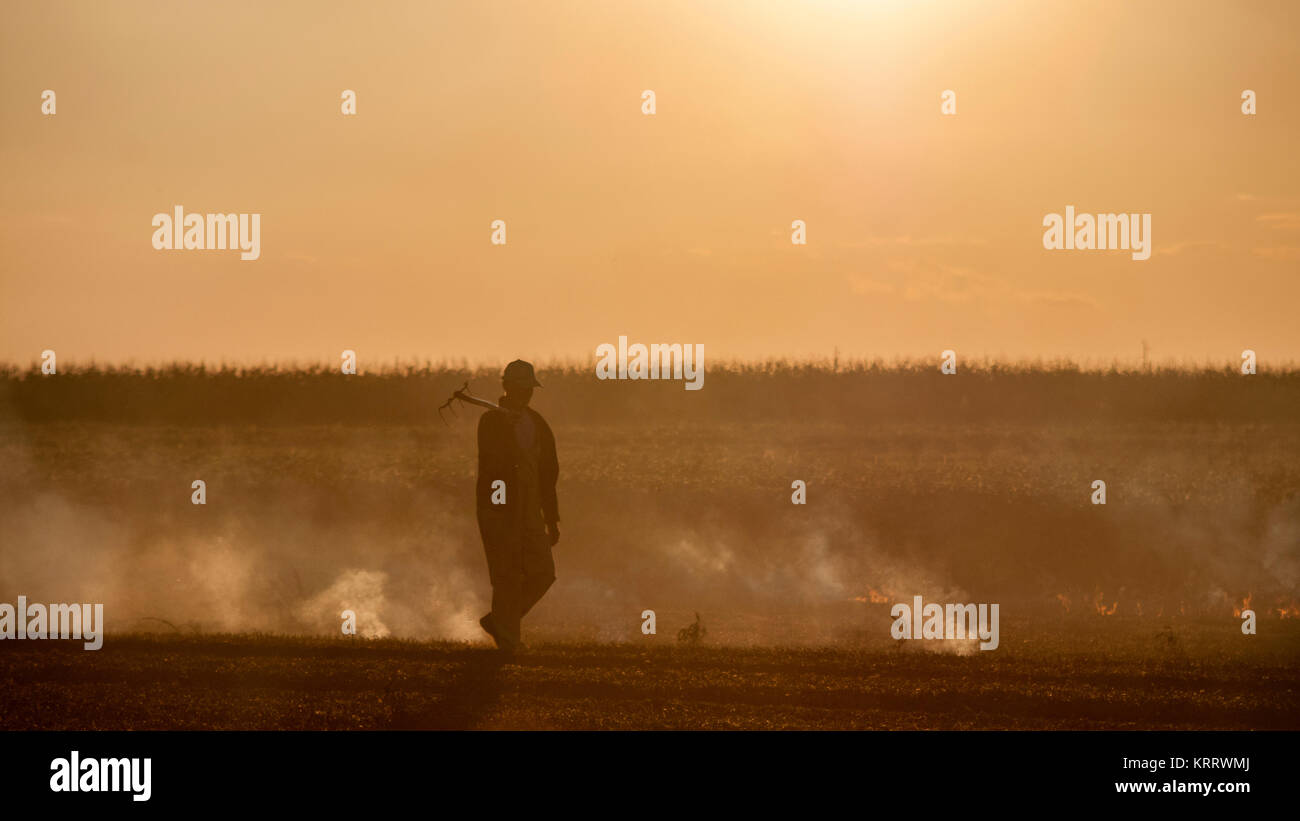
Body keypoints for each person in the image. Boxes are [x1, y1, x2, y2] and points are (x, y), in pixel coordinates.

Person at [476, 359, 560, 657]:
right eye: (521, 389)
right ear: (507, 387)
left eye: (529, 390)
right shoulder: (491, 422)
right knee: (506, 575)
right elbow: (492, 467)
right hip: (500, 507)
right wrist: (500, 513)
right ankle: (510, 640)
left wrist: (552, 518)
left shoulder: (537, 423)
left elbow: (549, 473)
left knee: (543, 573)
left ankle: (500, 621)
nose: (526, 395)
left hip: (530, 508)